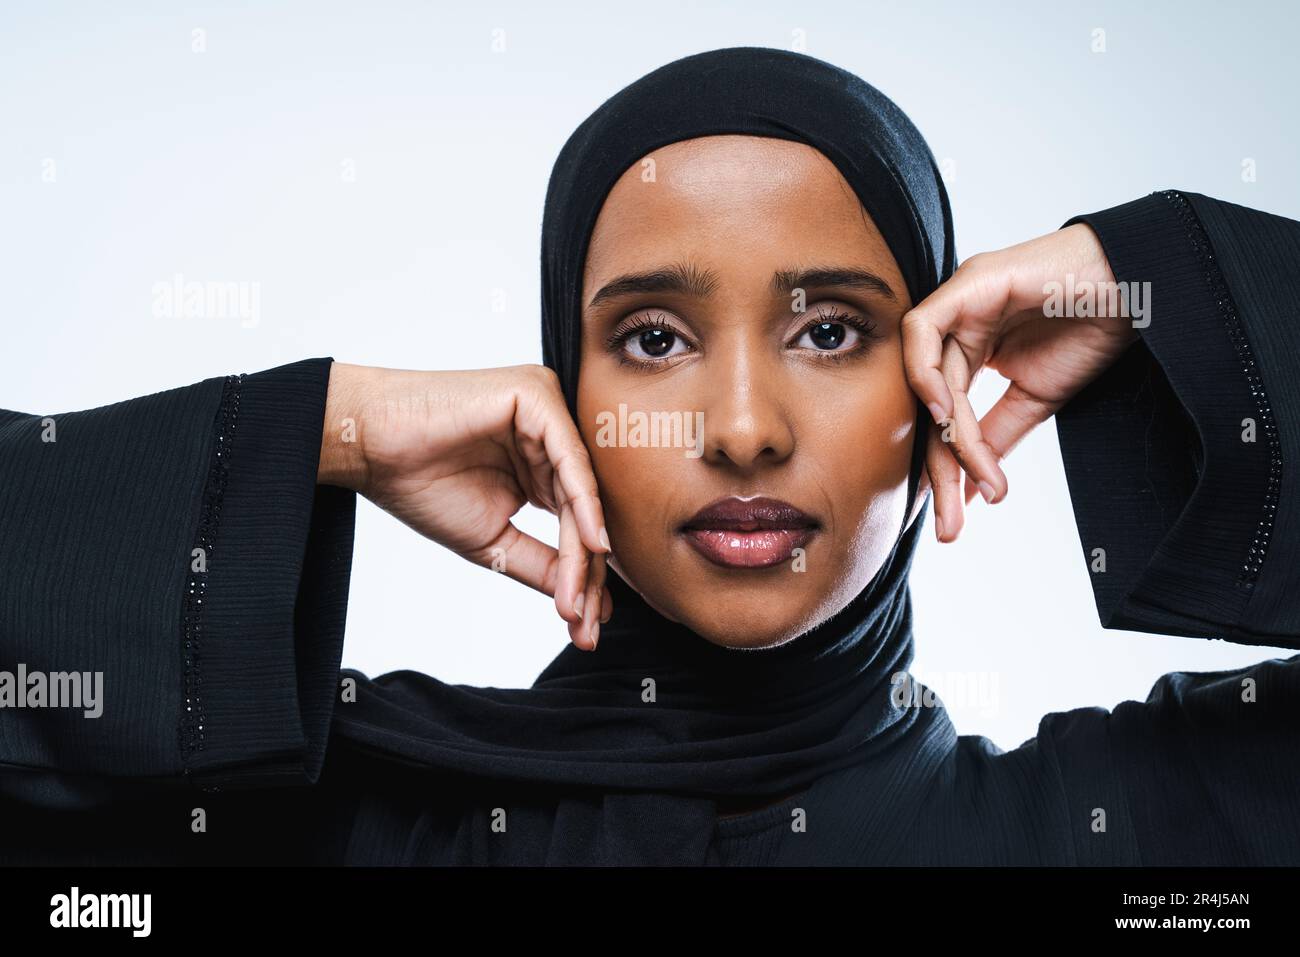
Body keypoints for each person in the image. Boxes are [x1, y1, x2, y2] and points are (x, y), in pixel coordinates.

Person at [1, 46, 1297, 866]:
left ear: (938, 376)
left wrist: (1171, 277)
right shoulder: (319, 822)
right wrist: (323, 428)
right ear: (561, 389)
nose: (741, 426)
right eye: (657, 336)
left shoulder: (1150, 831)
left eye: (834, 328)